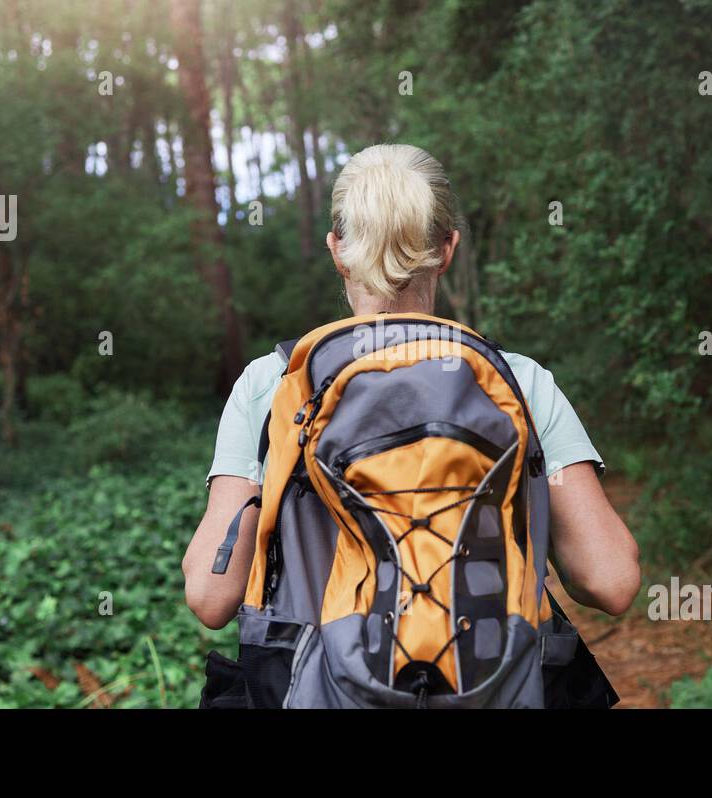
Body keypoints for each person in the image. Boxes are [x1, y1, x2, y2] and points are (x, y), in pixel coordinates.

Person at [182, 143, 640, 634]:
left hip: (318, 682)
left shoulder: (273, 382)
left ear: (337, 250)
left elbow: (212, 597)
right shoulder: (517, 380)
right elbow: (609, 580)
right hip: (484, 680)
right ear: (447, 248)